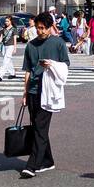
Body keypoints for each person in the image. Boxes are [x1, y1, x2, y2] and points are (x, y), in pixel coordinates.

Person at [20, 13, 70, 178]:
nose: (39, 31)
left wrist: (51, 65)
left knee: (40, 127)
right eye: (37, 27)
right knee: (37, 127)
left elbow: (65, 65)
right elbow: (27, 70)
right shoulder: (31, 45)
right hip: (34, 90)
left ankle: (32, 165)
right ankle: (47, 160)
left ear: (50, 27)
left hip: (48, 91)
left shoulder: (58, 43)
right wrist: (25, 93)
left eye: (43, 28)